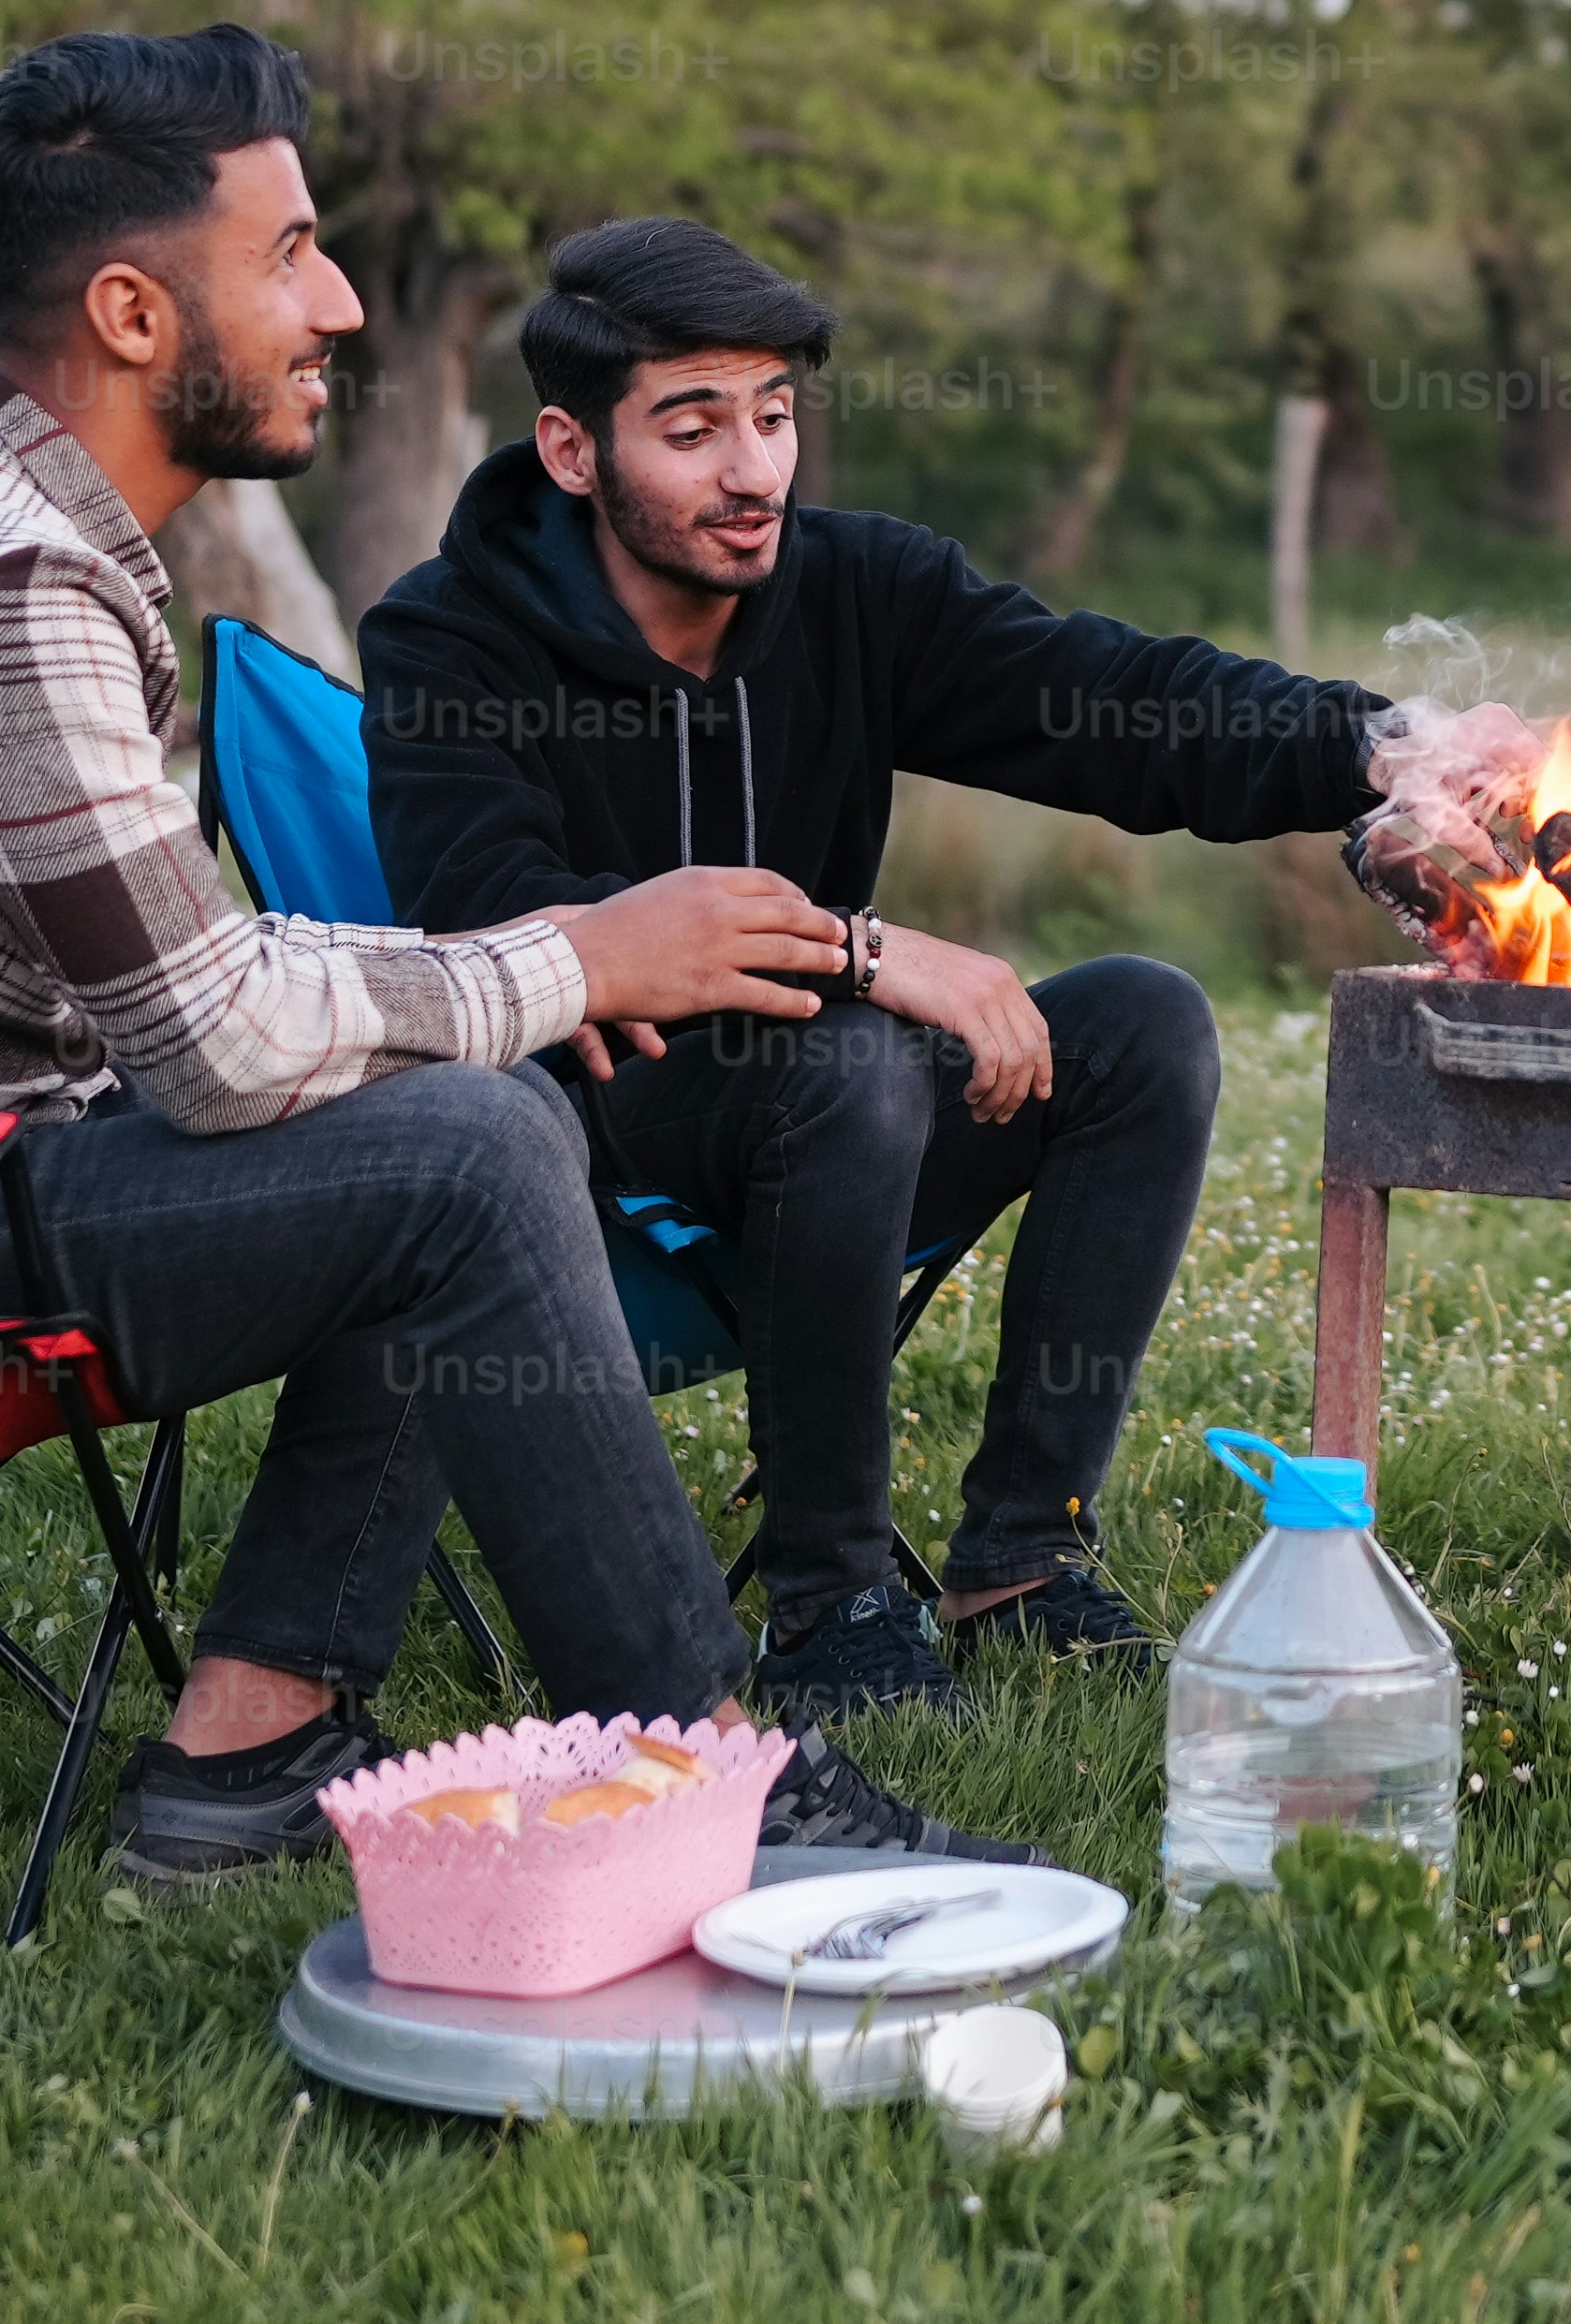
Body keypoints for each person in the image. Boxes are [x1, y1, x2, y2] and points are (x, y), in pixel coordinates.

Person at [0, 29, 1027, 1883]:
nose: (336, 302)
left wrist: (516, 978)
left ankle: (250, 1744)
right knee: (474, 1145)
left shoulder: (3, 523)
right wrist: (577, 952)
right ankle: (710, 1776)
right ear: (134, 310)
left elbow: (198, 969)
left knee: (459, 1097)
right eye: (290, 251)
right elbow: (219, 1050)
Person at [360, 217, 1417, 1719]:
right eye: (693, 427)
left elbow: (1116, 702)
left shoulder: (855, 591)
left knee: (1143, 1023)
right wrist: (866, 950)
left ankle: (1023, 1559)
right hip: (577, 1140)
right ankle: (835, 1601)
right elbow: (507, 917)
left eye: (777, 417)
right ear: (572, 449)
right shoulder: (447, 639)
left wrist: (1377, 746)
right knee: (851, 1059)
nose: (755, 472)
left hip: (831, 1148)